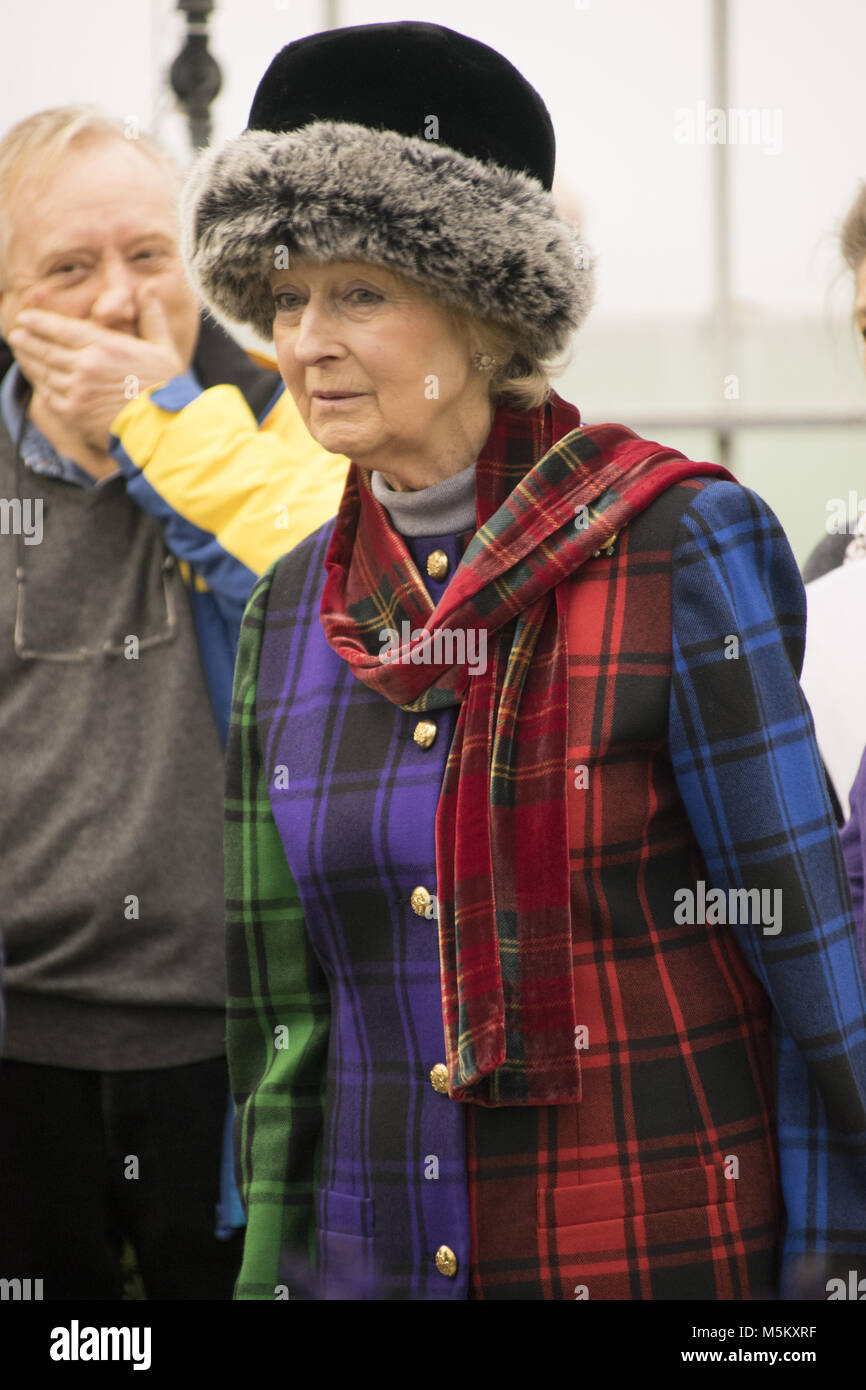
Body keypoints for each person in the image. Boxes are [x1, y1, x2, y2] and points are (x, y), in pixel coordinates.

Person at [186, 21, 866, 1300]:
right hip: (369, 1266)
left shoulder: (676, 543)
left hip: (651, 1259)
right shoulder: (288, 613)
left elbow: (805, 952)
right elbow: (281, 1031)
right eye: (284, 298)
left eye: (359, 294)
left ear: (486, 313)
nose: (305, 341)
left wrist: (829, 1268)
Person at [0, 106, 347, 1299]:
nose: (116, 303)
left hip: (241, 1040)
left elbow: (333, 616)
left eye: (150, 258)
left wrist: (163, 428)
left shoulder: (291, 433)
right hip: (23, 1042)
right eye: (67, 269)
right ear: (3, 303)